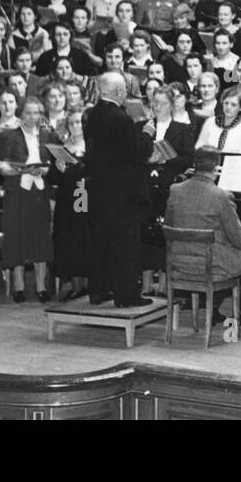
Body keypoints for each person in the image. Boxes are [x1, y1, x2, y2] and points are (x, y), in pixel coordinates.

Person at [164, 147, 241, 327]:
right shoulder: (221, 196)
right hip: (212, 265)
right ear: (217, 165)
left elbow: (169, 225)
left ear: (194, 164)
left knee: (227, 260)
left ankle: (213, 310)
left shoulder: (175, 190)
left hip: (180, 262)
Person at [85, 72, 154, 308]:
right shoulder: (121, 118)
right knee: (125, 245)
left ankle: (99, 290)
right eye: (124, 88)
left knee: (100, 243)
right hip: (122, 195)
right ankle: (126, 295)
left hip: (98, 191)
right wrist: (146, 134)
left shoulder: (92, 115)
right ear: (117, 91)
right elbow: (136, 153)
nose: (126, 92)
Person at [0, 98, 58, 303]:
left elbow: (54, 164)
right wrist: (21, 169)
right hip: (17, 191)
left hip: (39, 191)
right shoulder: (9, 136)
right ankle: (19, 286)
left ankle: (41, 286)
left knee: (40, 238)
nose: (34, 117)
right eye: (29, 113)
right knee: (17, 238)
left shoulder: (48, 135)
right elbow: (2, 167)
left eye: (37, 113)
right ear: (21, 115)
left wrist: (43, 169)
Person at [51, 106, 92, 302]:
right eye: (73, 122)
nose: (76, 126)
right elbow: (52, 177)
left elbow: (92, 174)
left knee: (82, 237)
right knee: (67, 238)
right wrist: (58, 169)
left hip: (83, 195)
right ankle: (75, 285)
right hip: (66, 198)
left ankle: (85, 285)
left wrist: (75, 168)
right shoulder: (63, 146)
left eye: (80, 122)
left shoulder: (91, 146)